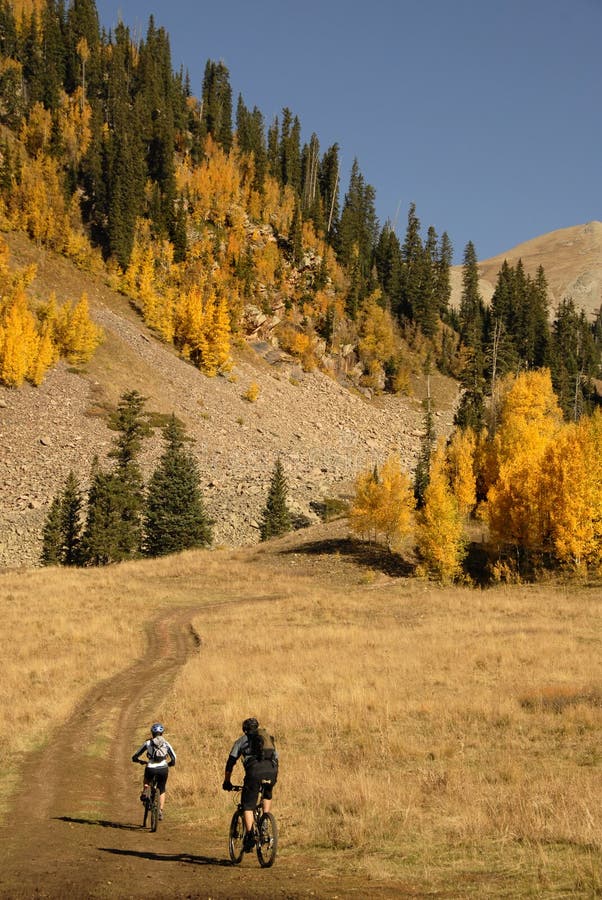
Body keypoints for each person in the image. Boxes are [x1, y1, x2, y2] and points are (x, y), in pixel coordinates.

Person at [222, 717, 278, 851]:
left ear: (245, 730)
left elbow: (231, 762)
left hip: (254, 772)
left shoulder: (241, 741)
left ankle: (250, 836)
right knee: (267, 793)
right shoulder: (267, 739)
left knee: (248, 805)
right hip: (272, 771)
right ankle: (265, 819)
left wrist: (227, 781)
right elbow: (276, 757)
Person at [132, 722, 176, 820]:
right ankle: (160, 811)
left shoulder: (148, 743)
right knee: (162, 788)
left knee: (146, 779)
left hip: (150, 768)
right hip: (163, 769)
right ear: (162, 733)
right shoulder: (166, 743)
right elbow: (174, 758)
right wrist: (169, 764)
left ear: (152, 733)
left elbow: (135, 756)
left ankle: (145, 790)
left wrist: (139, 761)